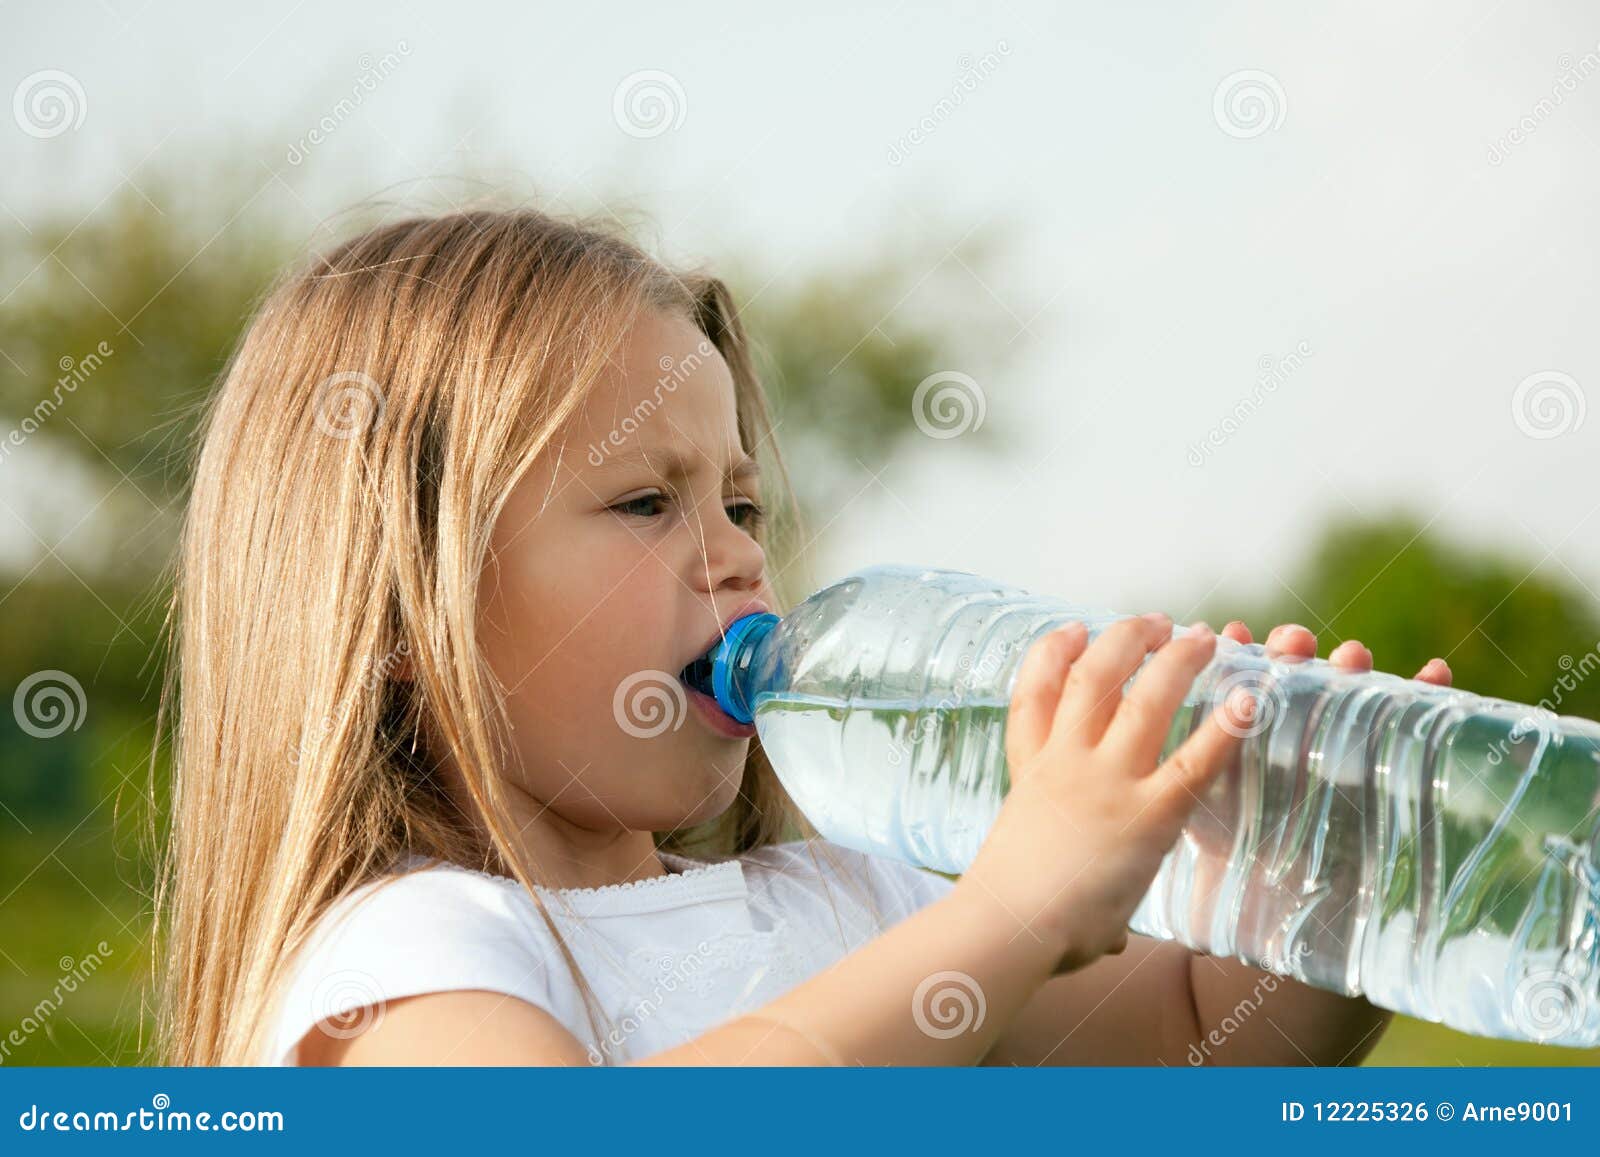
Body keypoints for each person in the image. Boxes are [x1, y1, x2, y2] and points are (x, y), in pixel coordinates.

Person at [152, 206, 1452, 1066]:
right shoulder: (410, 958)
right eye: (645, 501)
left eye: (741, 501)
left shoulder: (846, 903)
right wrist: (1009, 909)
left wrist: (1336, 891)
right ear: (398, 609)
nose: (732, 552)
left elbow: (1189, 1047)